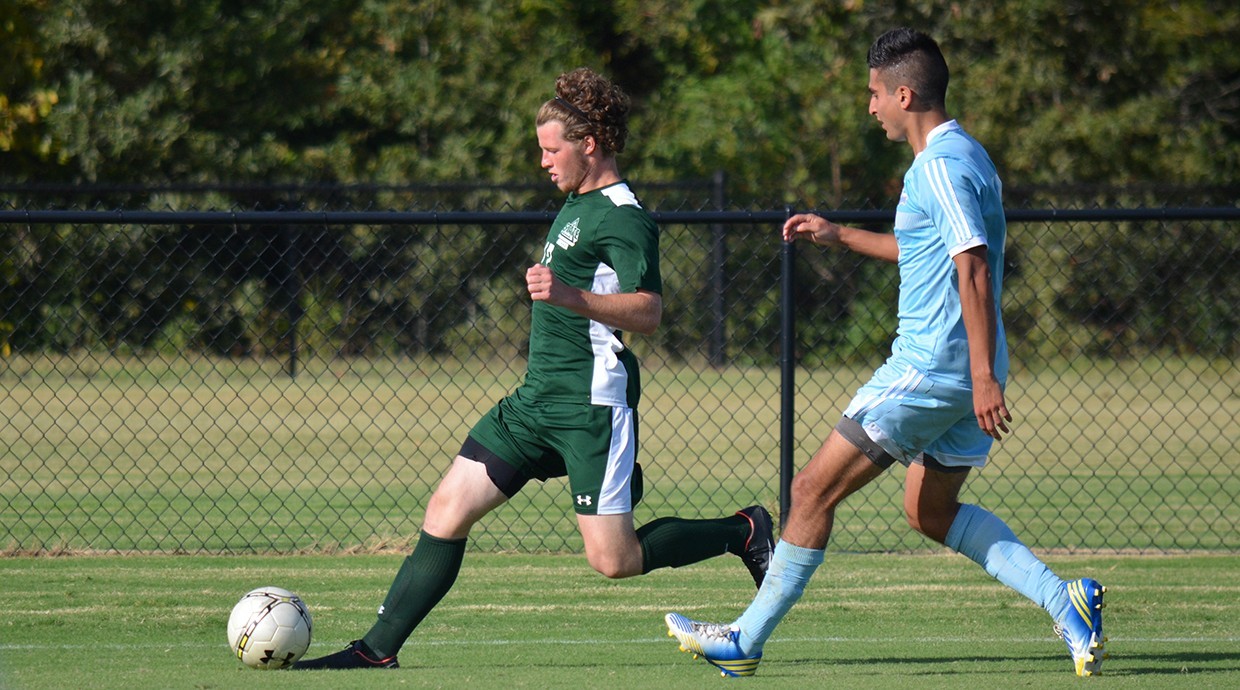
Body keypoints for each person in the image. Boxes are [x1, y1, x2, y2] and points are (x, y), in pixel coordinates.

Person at [293, 67, 773, 671]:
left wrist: (571, 296)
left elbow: (648, 310)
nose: (544, 162)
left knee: (613, 559)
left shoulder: (623, 215)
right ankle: (374, 651)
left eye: (552, 149)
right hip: (535, 400)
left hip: (589, 405)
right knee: (446, 511)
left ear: (589, 145)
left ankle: (743, 533)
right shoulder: (578, 202)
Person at [664, 28, 1107, 678]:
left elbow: (973, 266)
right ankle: (1064, 603)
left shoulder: (940, 166)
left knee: (810, 490)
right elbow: (927, 249)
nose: (870, 107)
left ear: (904, 93)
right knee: (928, 512)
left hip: (931, 368)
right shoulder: (966, 156)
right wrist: (838, 234)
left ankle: (745, 639)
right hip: (959, 371)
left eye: (874, 94)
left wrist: (982, 376)